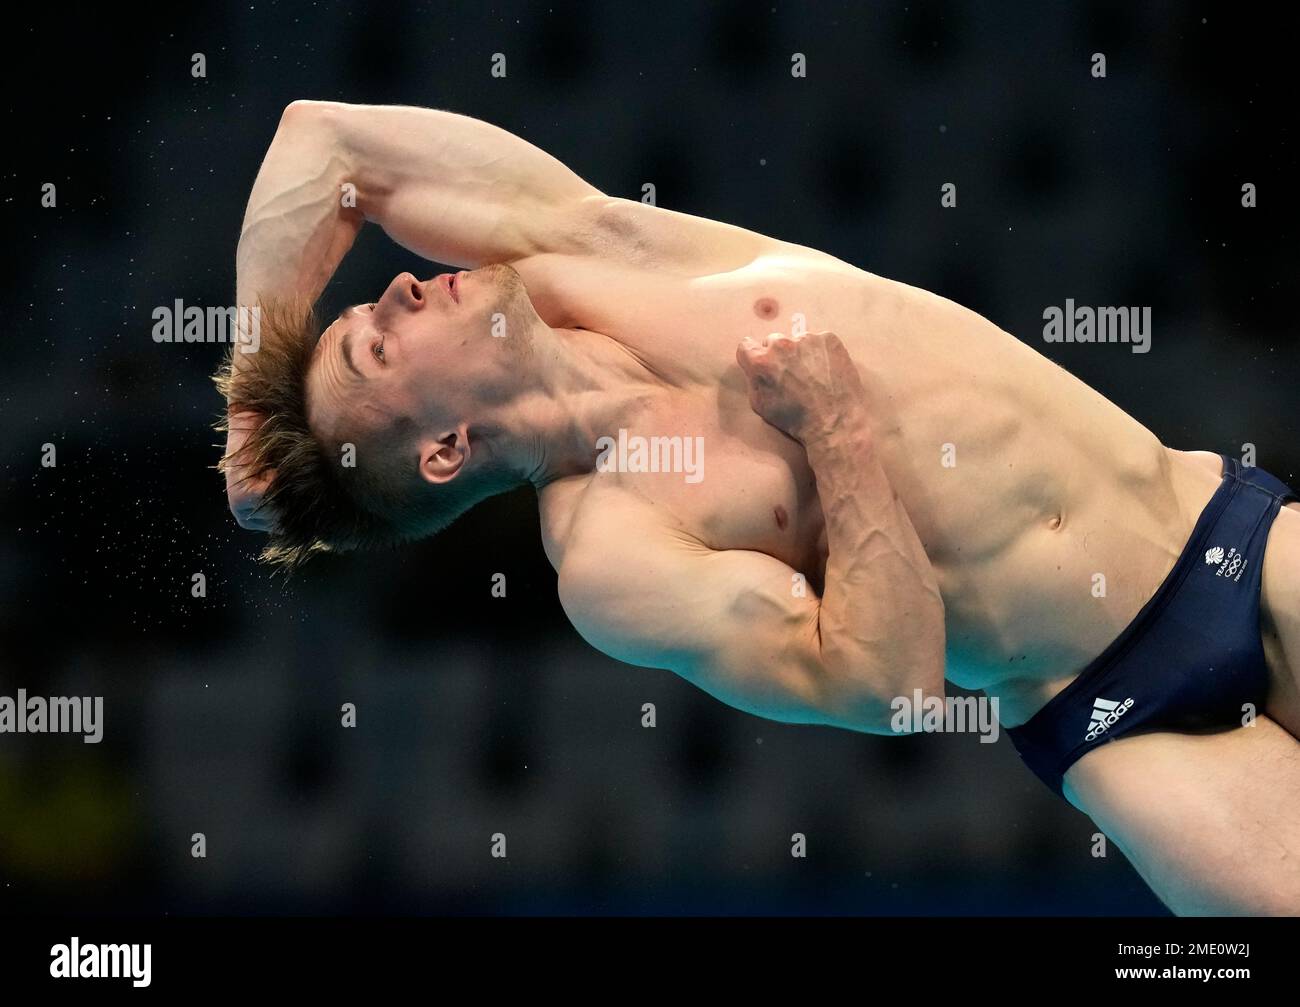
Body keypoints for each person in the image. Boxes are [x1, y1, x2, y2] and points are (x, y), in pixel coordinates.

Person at [218, 100, 1300, 914]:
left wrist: (246, 413)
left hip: (1218, 528)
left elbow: (326, 144)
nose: (398, 288)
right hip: (1121, 716)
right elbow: (890, 688)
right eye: (375, 342)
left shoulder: (592, 251)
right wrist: (836, 433)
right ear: (446, 448)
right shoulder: (612, 555)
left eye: (367, 300)